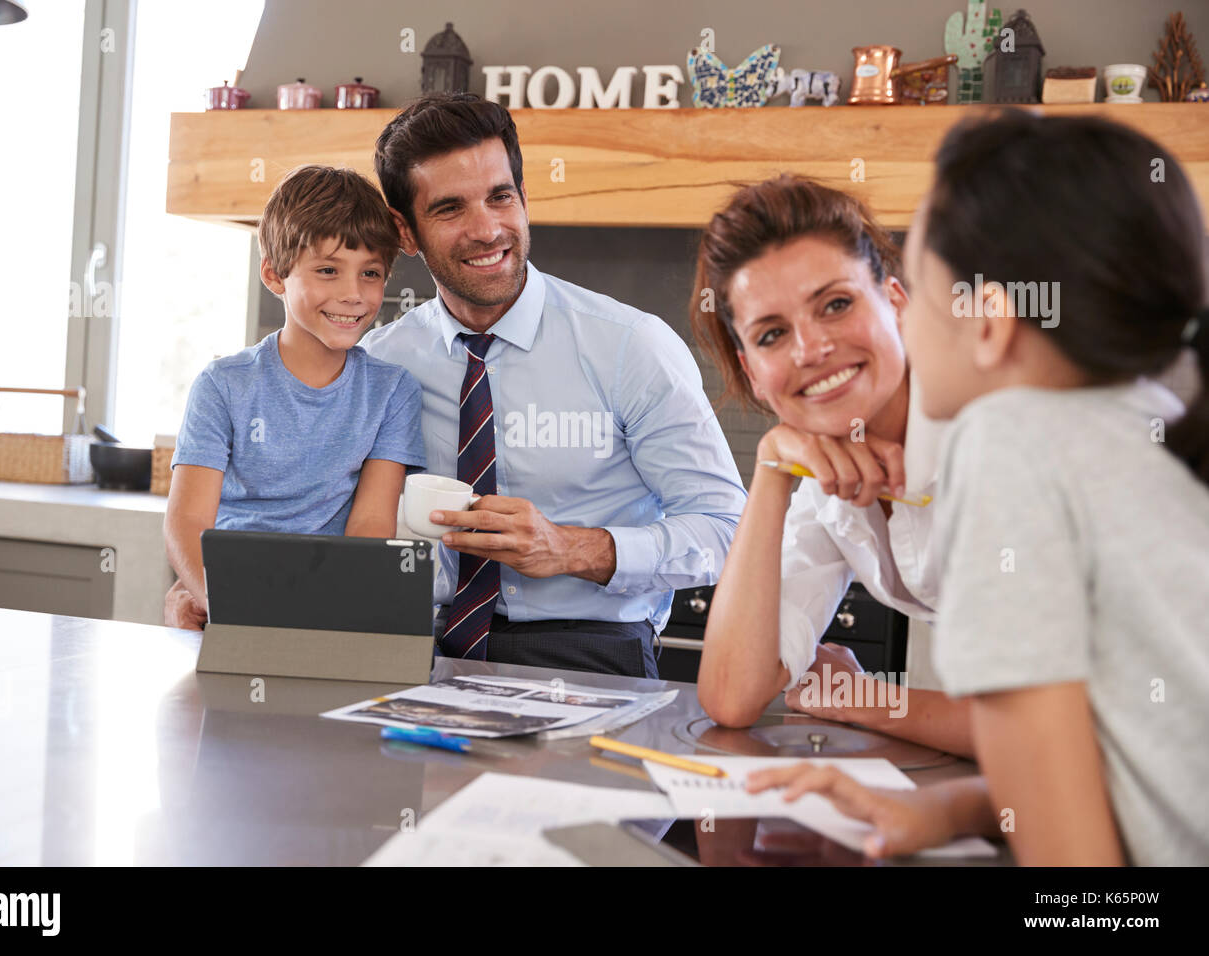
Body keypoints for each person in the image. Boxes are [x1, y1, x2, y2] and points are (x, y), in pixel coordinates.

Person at [749, 111, 1209, 866]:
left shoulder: (1009, 445)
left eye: (917, 292)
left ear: (989, 323)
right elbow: (1128, 756)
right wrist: (945, 811)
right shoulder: (1154, 423)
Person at [359, 92, 746, 678]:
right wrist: (205, 588)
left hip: (591, 652)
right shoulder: (377, 362)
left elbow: (727, 529)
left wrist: (570, 548)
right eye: (449, 209)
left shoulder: (629, 346)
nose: (487, 230)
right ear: (404, 232)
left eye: (500, 196)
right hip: (414, 646)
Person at [690, 174, 971, 755]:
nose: (810, 349)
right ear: (751, 374)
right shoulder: (826, 466)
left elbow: (1048, 729)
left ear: (896, 303)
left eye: (836, 305)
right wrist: (771, 464)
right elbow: (731, 695)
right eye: (772, 334)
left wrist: (857, 697)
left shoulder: (991, 428)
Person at [163, 165, 426, 628]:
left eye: (371, 273)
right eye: (328, 270)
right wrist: (221, 600)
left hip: (331, 607)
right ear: (275, 275)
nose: (353, 294)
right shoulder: (223, 384)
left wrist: (319, 609)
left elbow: (370, 527)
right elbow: (187, 522)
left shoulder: (392, 392)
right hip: (230, 602)